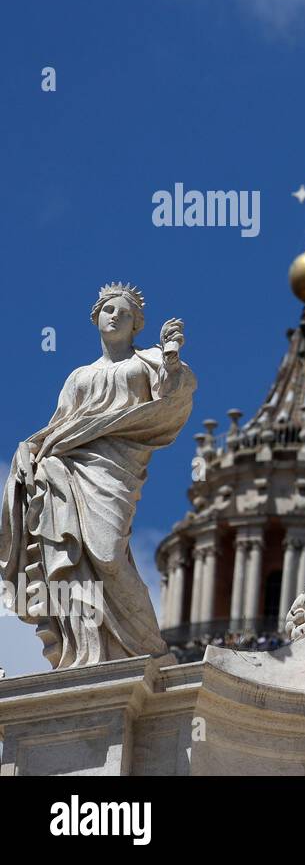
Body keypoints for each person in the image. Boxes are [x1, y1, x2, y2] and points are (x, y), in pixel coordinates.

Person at [0, 283, 195, 669]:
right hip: (66, 469)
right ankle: (85, 649)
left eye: (123, 313)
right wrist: (31, 449)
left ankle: (146, 645)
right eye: (108, 310)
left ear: (136, 324)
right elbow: (60, 427)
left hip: (116, 466)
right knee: (71, 555)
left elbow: (174, 399)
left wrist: (172, 362)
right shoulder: (79, 376)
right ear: (96, 317)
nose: (114, 316)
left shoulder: (148, 362)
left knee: (107, 554)